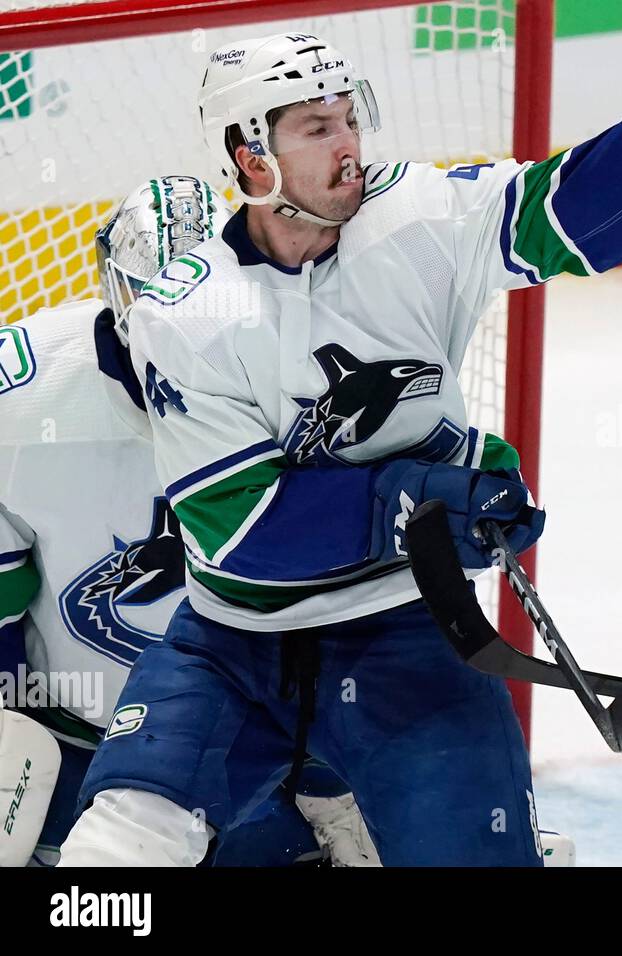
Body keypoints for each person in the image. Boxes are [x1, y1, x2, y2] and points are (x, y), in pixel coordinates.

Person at [58, 20, 622, 865]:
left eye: (351, 117)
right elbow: (240, 531)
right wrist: (422, 501)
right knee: (115, 860)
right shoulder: (187, 313)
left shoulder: (416, 216)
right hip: (233, 652)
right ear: (252, 157)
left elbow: (567, 216)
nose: (349, 145)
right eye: (317, 128)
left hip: (407, 633)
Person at [0, 176, 375, 866]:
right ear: (117, 295)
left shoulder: (309, 392)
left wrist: (328, 773)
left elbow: (341, 595)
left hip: (249, 749)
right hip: (67, 745)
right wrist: (7, 726)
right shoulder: (20, 393)